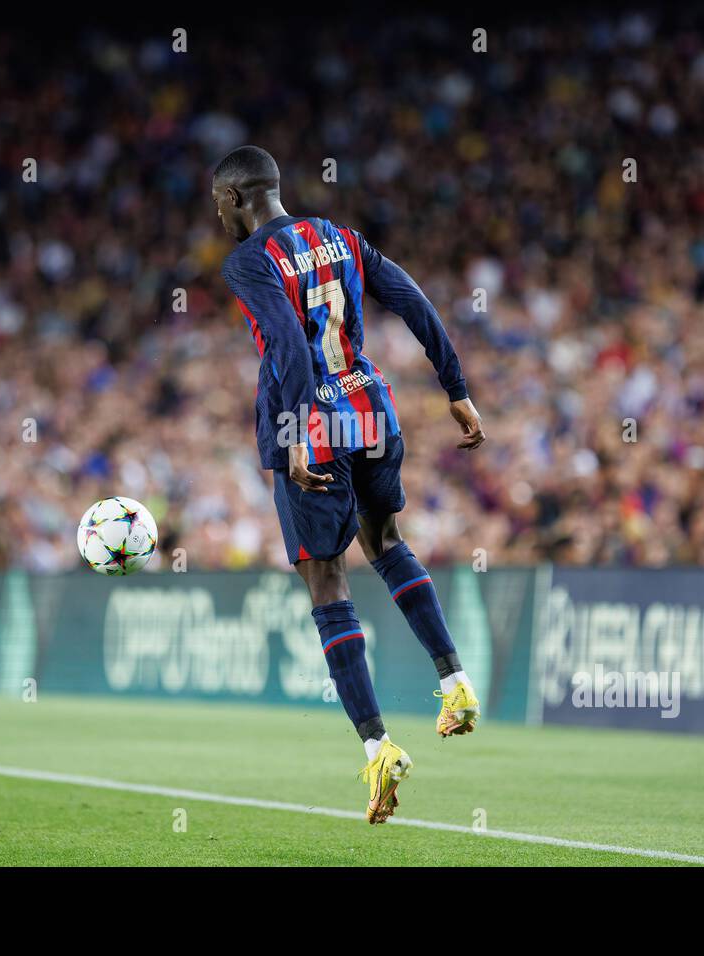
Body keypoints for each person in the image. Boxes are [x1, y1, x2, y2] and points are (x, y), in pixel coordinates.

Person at [213, 145, 486, 823]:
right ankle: (454, 683)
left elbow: (285, 343)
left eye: (217, 202)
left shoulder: (249, 260)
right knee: (387, 543)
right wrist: (455, 386)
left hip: (310, 428)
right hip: (372, 409)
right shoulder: (338, 236)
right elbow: (412, 298)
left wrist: (300, 428)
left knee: (327, 582)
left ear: (235, 199)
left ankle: (379, 748)